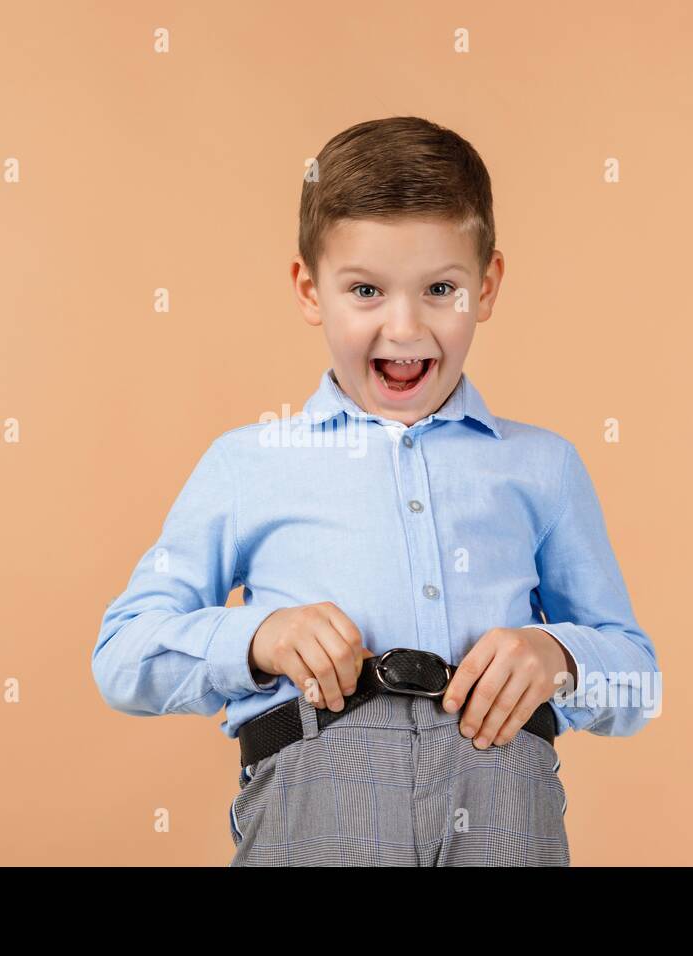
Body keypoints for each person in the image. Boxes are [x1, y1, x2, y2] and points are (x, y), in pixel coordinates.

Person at [92, 116, 660, 866]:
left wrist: (558, 655)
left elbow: (637, 675)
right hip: (315, 817)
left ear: (485, 287)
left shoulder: (544, 467)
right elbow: (123, 653)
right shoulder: (247, 463)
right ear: (308, 288)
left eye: (440, 289)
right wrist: (256, 640)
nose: (404, 326)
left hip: (504, 820)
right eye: (365, 289)